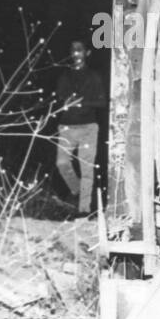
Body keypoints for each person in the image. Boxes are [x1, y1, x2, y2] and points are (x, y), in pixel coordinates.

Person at [52, 40, 106, 216]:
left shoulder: (94, 76)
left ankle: (84, 210)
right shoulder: (64, 77)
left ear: (87, 53)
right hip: (67, 126)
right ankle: (76, 191)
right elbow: (59, 100)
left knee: (87, 169)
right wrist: (64, 103)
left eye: (79, 50)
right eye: (73, 50)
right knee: (61, 163)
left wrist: (83, 103)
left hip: (88, 127)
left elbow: (102, 102)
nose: (76, 53)